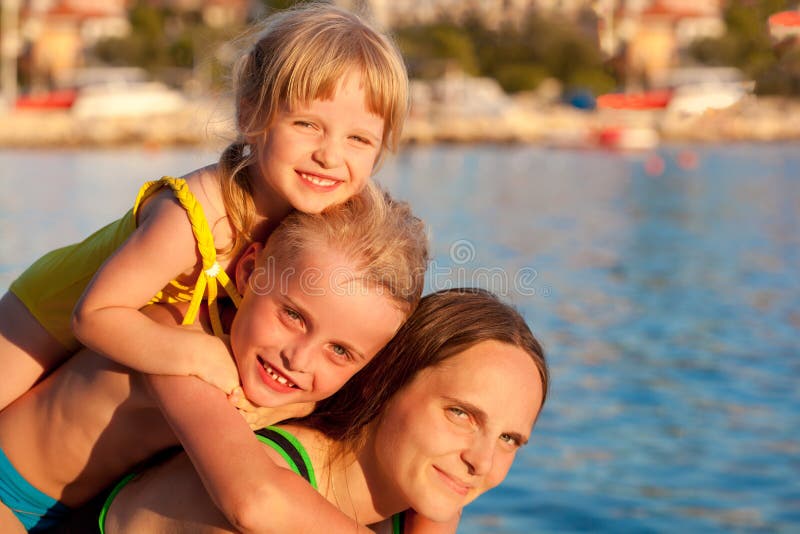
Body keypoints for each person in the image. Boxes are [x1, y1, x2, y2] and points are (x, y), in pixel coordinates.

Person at [0, 2, 409, 410]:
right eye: (307, 125)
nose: (330, 157)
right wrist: (198, 354)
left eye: (359, 139)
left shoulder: (330, 222)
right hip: (40, 319)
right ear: (250, 114)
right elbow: (93, 315)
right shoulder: (194, 216)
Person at [0, 184, 429, 533]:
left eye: (339, 351)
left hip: (73, 508)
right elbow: (248, 497)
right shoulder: (176, 339)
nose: (297, 358)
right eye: (293, 315)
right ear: (248, 272)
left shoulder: (278, 367)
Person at [98, 288, 550, 534]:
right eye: (461, 414)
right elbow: (256, 504)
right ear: (385, 379)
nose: (482, 462)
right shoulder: (249, 479)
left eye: (509, 439)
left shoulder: (413, 497)